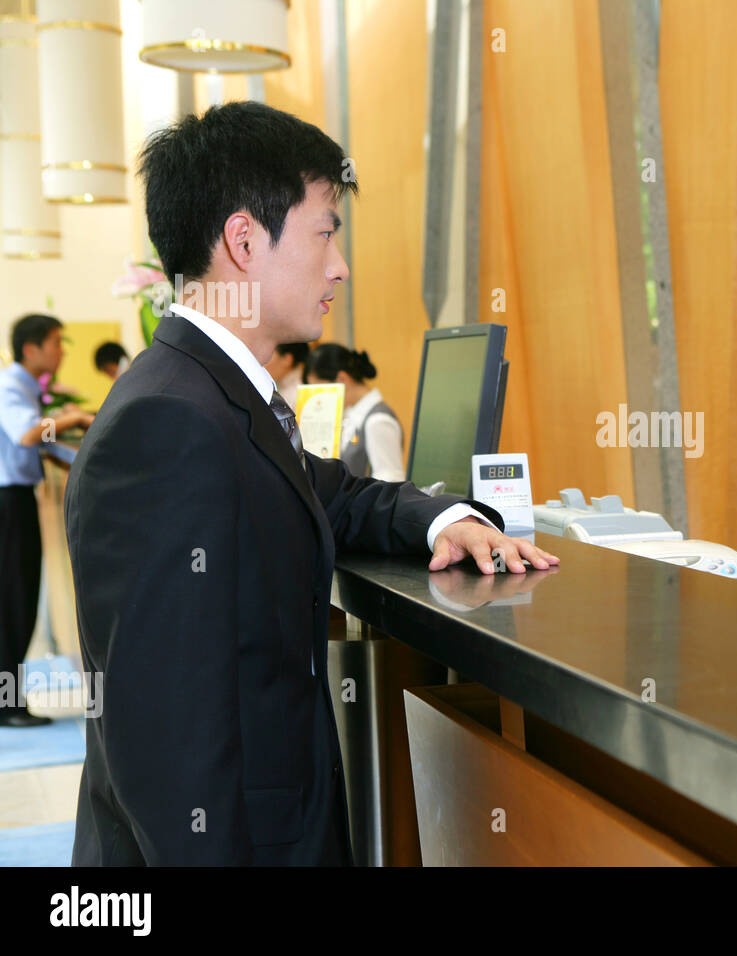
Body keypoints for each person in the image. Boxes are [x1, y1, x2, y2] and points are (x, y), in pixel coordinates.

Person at [64, 101, 558, 866]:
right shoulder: (169, 422)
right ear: (243, 241)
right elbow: (164, 737)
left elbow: (336, 494)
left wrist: (444, 520)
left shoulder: (215, 393)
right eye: (325, 232)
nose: (340, 265)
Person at [0, 314, 94, 727]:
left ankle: (10, 702)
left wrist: (84, 457)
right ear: (31, 348)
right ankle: (7, 706)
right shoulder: (10, 385)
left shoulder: (25, 387)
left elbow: (43, 444)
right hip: (8, 502)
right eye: (56, 343)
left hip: (16, 500)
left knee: (18, 600)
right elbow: (26, 434)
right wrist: (75, 417)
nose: (61, 352)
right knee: (12, 602)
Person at [305, 343, 404, 482]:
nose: (319, 398)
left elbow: (391, 478)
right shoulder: (351, 414)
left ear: (342, 379)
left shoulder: (377, 419)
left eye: (320, 390)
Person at [265, 340, 307, 411]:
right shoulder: (280, 387)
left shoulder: (297, 394)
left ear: (287, 359)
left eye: (269, 355)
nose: (263, 363)